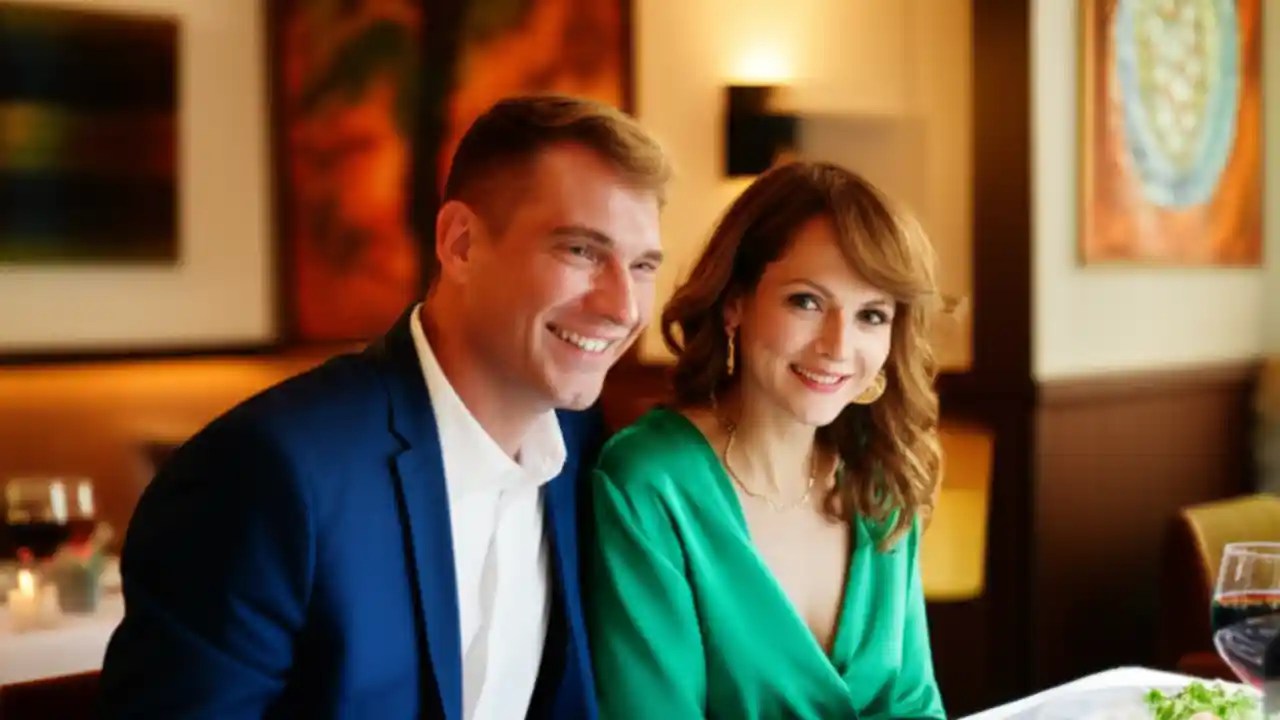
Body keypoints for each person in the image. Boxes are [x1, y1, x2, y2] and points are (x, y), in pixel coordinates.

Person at [100, 94, 670, 720]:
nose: (622, 307)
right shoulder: (266, 475)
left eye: (642, 265)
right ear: (460, 244)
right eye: (581, 252)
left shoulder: (590, 455)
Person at [587, 161, 946, 719]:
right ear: (735, 303)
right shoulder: (649, 483)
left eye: (871, 315)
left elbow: (915, 707)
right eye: (806, 301)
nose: (837, 345)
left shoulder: (881, 483)